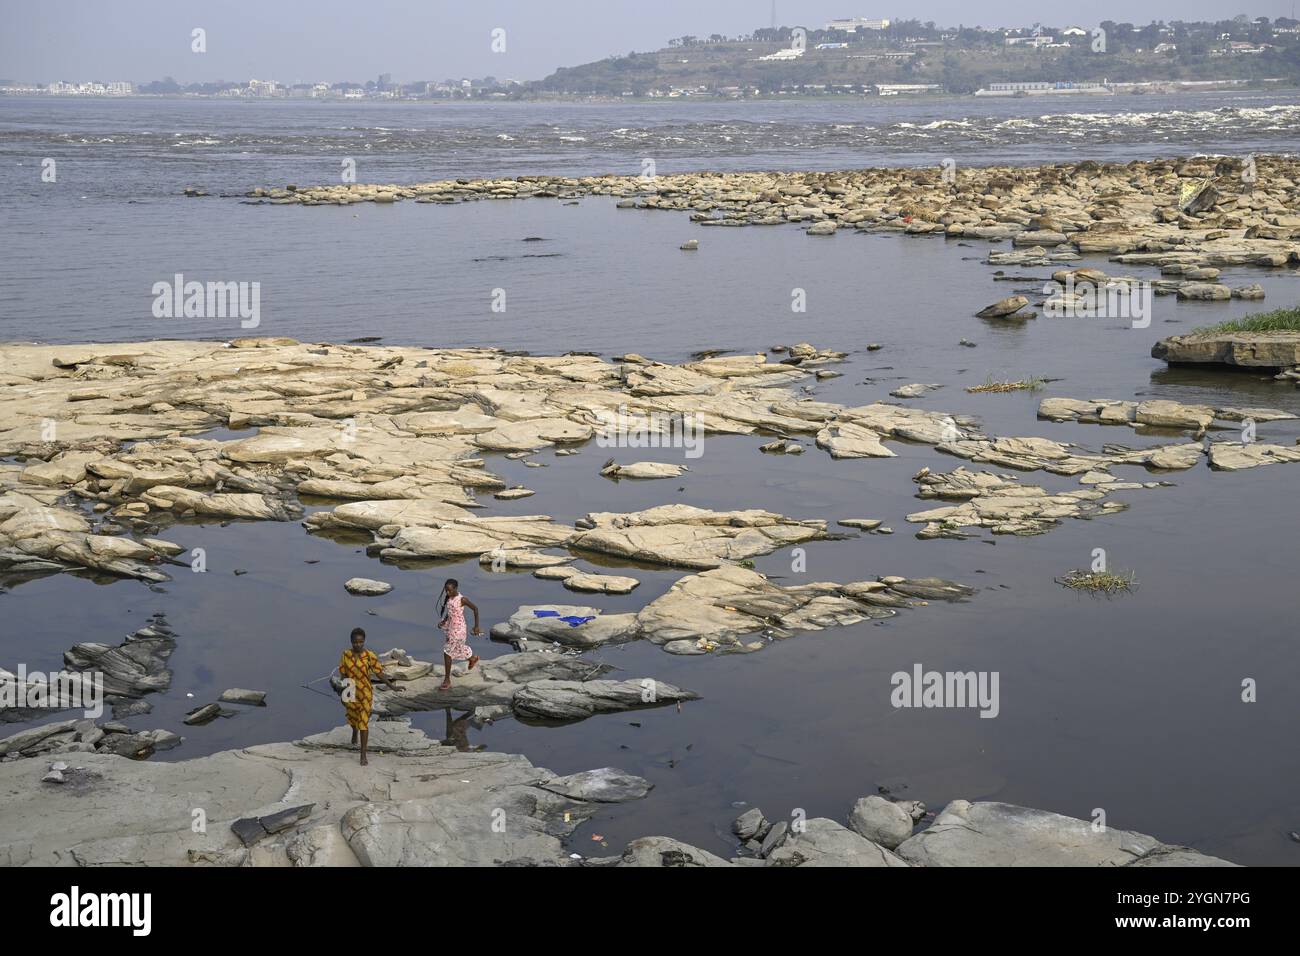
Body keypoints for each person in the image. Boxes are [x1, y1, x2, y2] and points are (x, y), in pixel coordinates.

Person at [338, 627, 401, 765]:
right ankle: (354, 732)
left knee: (363, 722)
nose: (358, 645)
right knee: (352, 715)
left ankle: (363, 755)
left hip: (365, 691)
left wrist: (392, 686)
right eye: (355, 642)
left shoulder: (369, 655)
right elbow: (343, 673)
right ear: (351, 642)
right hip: (350, 689)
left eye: (360, 642)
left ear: (364, 641)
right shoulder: (345, 655)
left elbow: (379, 673)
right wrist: (342, 689)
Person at [437, 578, 481, 690]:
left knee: (447, 652)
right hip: (451, 628)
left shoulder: (462, 599)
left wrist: (476, 626)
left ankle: (447, 680)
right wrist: (444, 621)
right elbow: (450, 612)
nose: (448, 592)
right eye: (446, 590)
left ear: (456, 588)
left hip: (459, 629)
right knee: (457, 648)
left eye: (450, 590)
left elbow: (475, 609)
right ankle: (472, 658)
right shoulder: (449, 598)